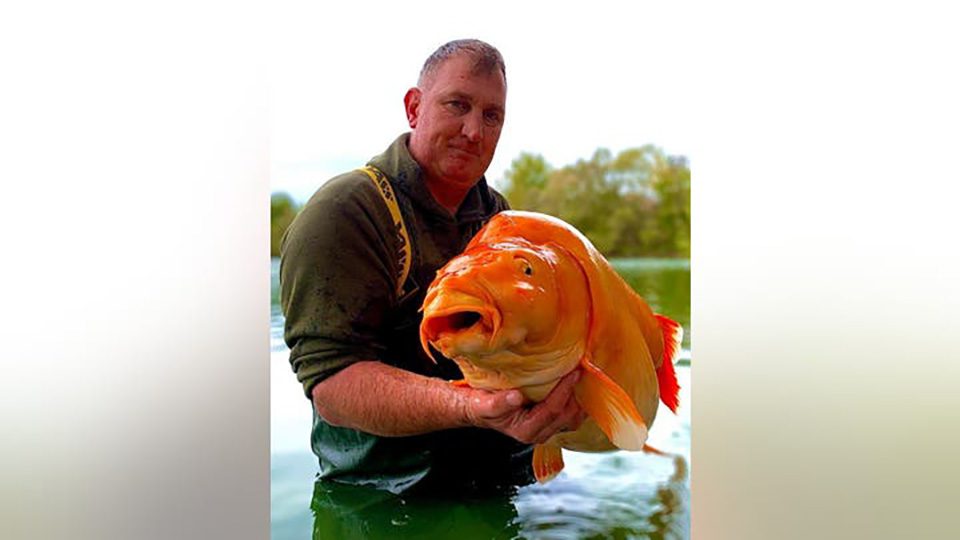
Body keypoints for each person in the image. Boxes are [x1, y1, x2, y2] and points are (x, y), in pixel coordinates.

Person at [279, 39, 585, 494]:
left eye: (491, 116)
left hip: (504, 485)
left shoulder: (502, 221)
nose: (473, 131)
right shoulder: (344, 212)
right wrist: (467, 406)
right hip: (381, 500)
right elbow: (332, 385)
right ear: (414, 107)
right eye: (457, 105)